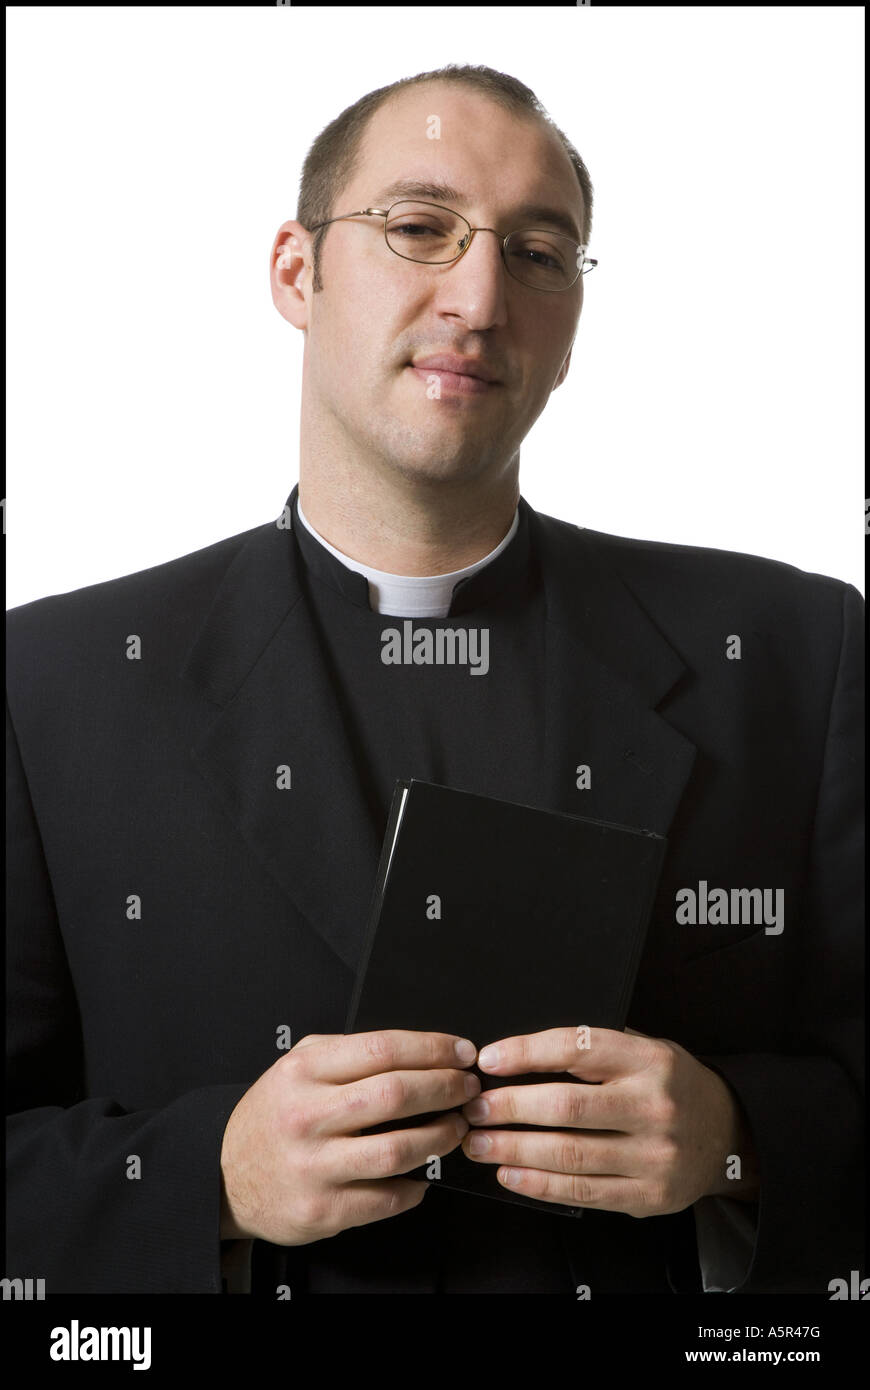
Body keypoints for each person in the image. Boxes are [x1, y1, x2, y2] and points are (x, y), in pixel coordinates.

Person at [6, 64, 863, 1297]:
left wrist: (739, 1143)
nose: (479, 296)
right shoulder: (52, 689)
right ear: (297, 272)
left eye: (539, 253)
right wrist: (205, 1175)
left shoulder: (796, 651)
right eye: (419, 229)